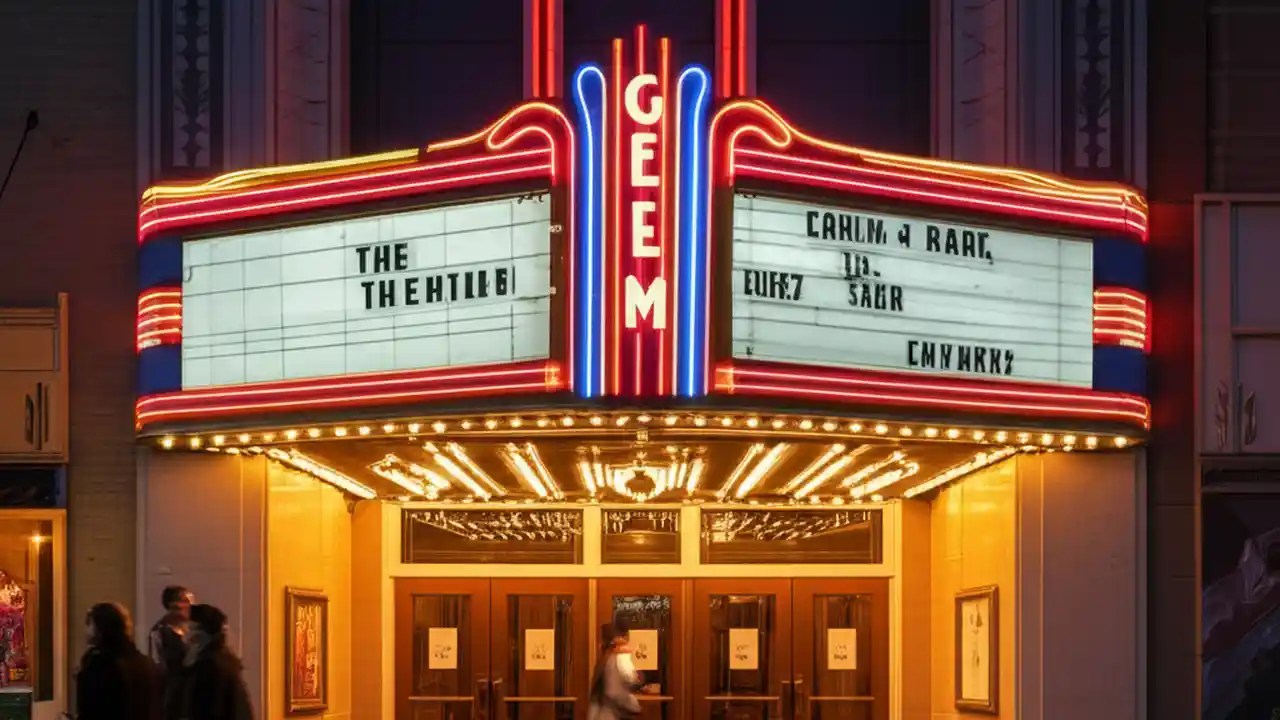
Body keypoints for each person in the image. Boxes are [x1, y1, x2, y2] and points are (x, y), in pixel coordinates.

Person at [76, 602, 159, 720]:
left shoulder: (100, 662)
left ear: (100, 627)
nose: (86, 630)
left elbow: (92, 709)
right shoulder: (145, 663)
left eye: (89, 624)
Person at [184, 604, 254, 720]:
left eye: (191, 629)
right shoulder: (225, 659)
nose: (187, 636)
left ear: (202, 633)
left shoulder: (210, 665)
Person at [150, 586, 193, 720]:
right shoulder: (160, 631)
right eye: (186, 601)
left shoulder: (193, 630)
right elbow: (158, 664)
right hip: (173, 690)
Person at [588, 621, 641, 720]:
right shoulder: (614, 657)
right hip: (610, 706)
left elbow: (628, 680)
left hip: (609, 707)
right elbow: (631, 679)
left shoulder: (611, 657)